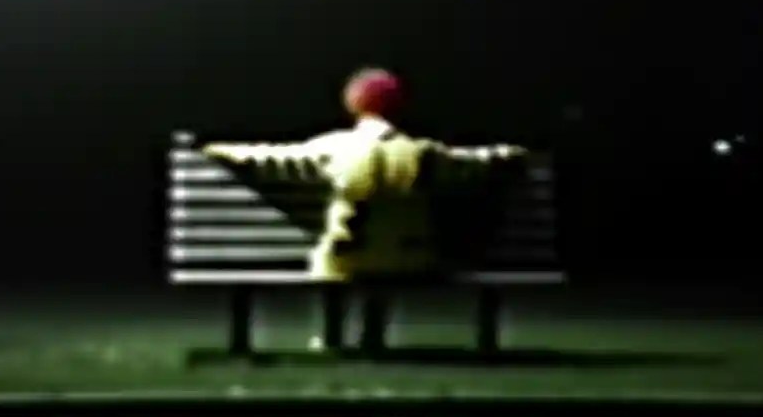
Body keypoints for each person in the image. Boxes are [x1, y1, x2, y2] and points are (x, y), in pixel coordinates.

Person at [202, 67, 526, 351]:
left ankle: (330, 337)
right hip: (411, 259)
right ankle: (373, 336)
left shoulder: (336, 146)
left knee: (332, 254)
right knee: (389, 245)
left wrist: (222, 150)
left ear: (354, 105)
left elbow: (274, 160)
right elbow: (476, 163)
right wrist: (510, 153)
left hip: (348, 257)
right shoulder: (424, 152)